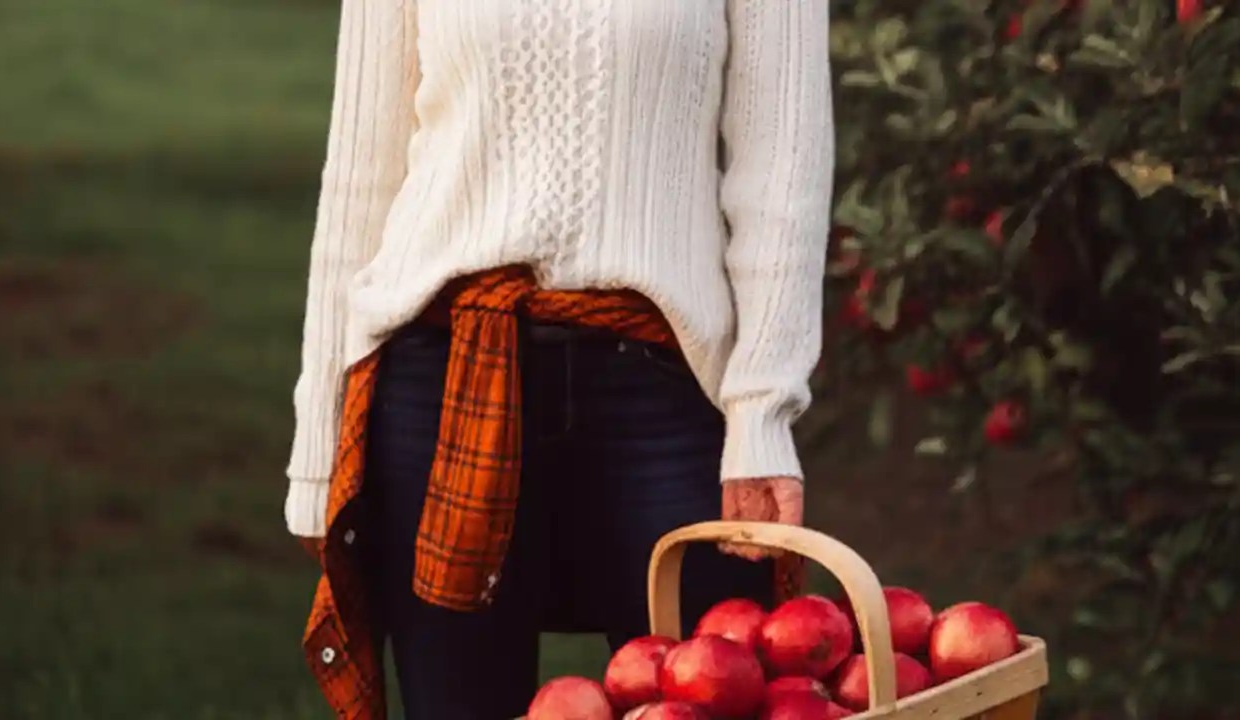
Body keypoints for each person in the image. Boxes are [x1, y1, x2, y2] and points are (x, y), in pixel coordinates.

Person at [285, 2, 833, 718]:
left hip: (663, 385)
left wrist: (764, 407)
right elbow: (362, 172)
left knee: (715, 696)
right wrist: (319, 449)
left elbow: (783, 168)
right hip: (446, 380)